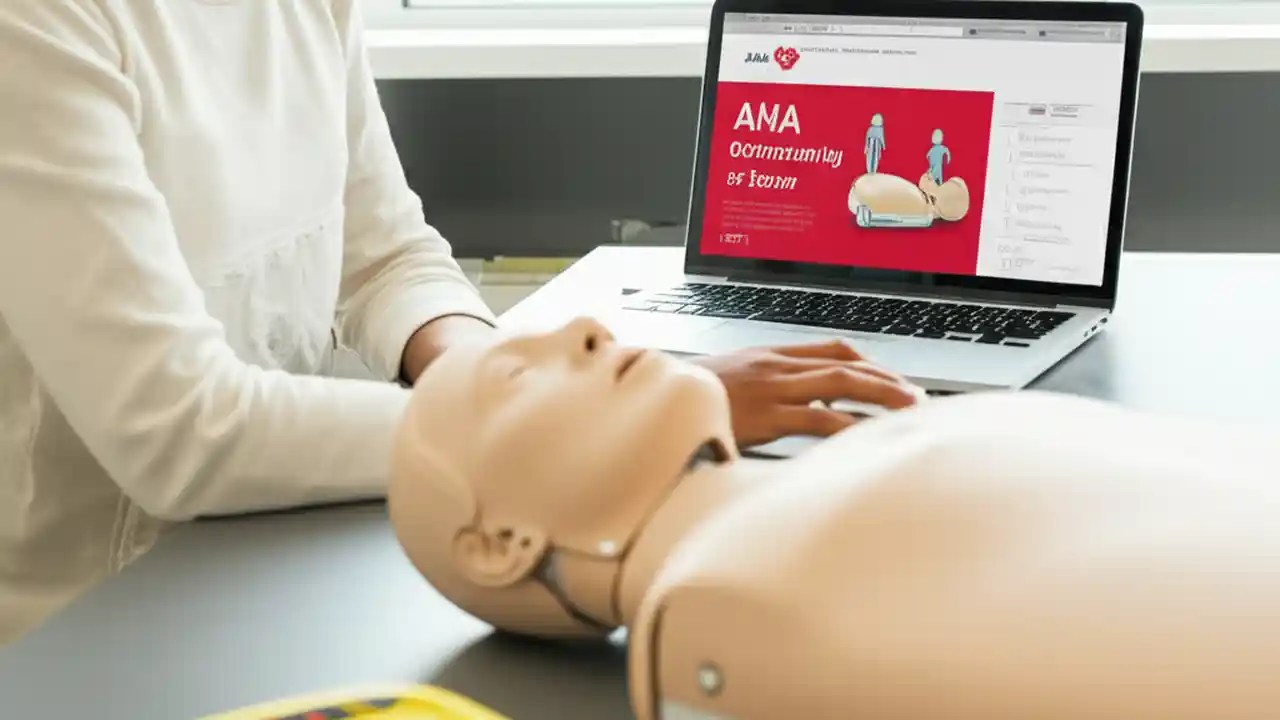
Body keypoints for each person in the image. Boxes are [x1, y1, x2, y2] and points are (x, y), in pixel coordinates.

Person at [0, 1, 921, 645]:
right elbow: (178, 431)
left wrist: (516, 387)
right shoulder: (37, 26)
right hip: (77, 628)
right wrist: (567, 425)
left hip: (256, 558)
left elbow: (384, 260)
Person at [390, 319, 1280, 720]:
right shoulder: (726, 617)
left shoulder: (832, 486)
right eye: (518, 375)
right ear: (502, 545)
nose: (583, 328)